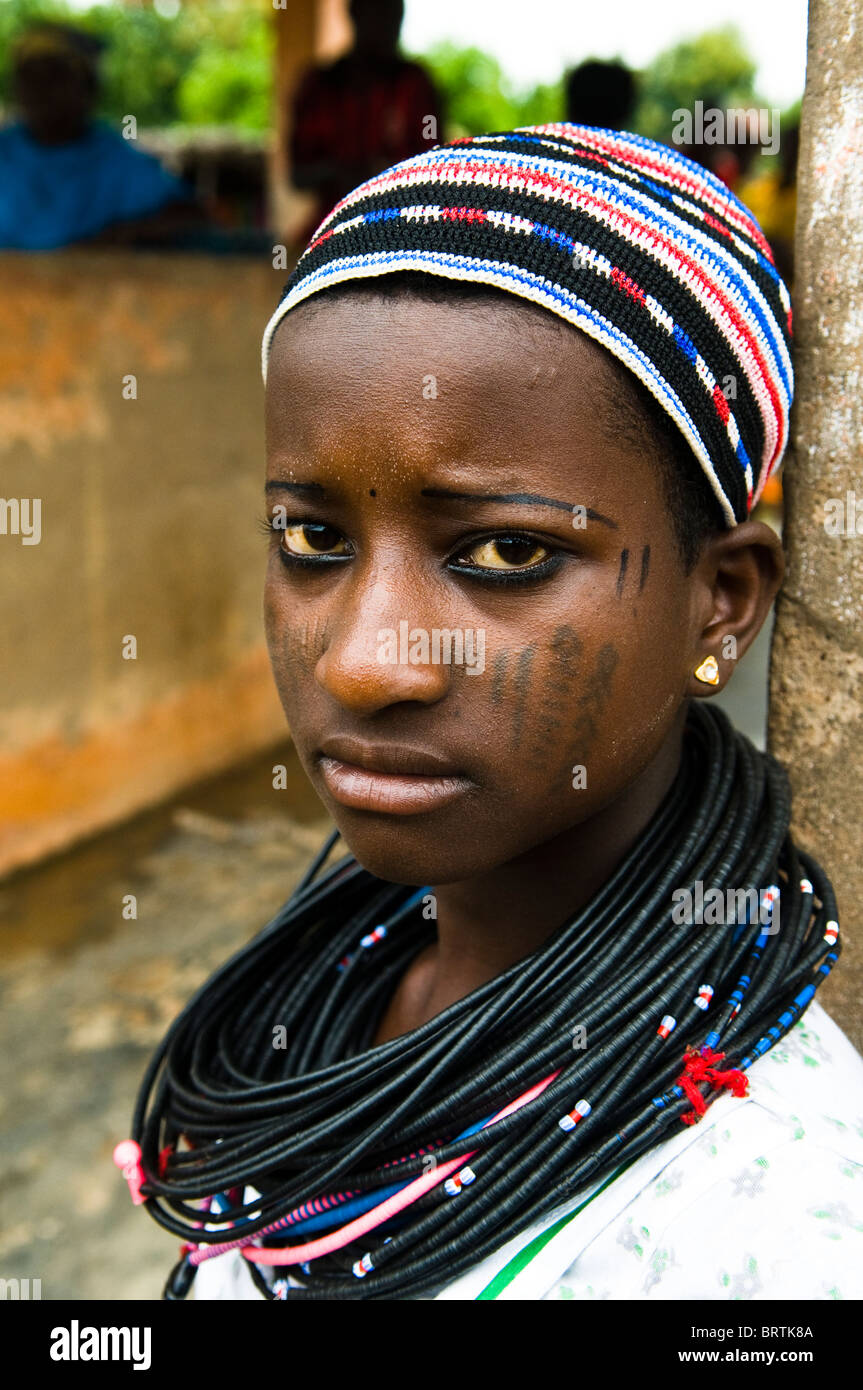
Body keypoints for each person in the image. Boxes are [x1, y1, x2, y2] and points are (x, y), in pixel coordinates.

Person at [122, 125, 863, 1301]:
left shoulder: (767, 1235)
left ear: (718, 601)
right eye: (312, 538)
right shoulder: (336, 997)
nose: (366, 663)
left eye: (506, 550)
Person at [0, 22, 202, 251]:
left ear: (90, 89)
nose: (40, 88)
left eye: (56, 76)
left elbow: (191, 215)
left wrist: (122, 235)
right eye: (30, 76)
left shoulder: (116, 160)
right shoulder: (5, 152)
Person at [289, 0, 442, 241]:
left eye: (394, 15)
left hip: (404, 232)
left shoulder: (416, 86)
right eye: (379, 13)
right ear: (355, 14)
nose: (389, 25)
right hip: (331, 231)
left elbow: (435, 167)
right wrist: (345, 173)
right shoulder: (320, 86)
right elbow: (298, 175)